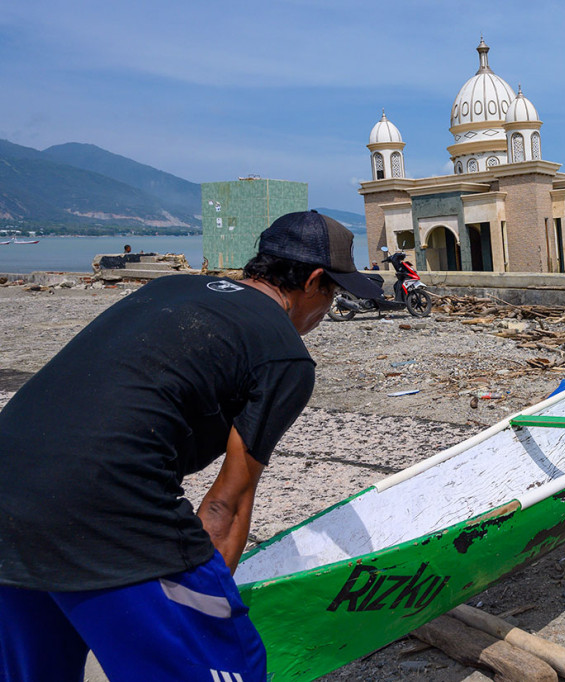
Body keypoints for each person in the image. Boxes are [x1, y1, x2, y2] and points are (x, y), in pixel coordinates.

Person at [0, 210, 380, 681]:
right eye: (334, 293)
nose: (328, 310)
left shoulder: (168, 288)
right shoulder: (285, 354)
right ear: (314, 281)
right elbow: (226, 506)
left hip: (7, 487)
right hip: (104, 503)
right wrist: (210, 604)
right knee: (223, 666)